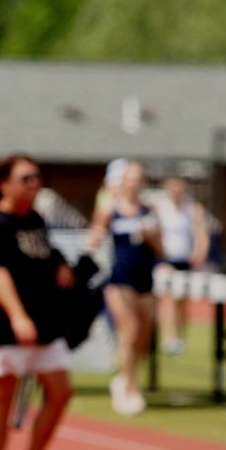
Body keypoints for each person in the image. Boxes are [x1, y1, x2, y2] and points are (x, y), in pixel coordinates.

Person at [0, 155, 76, 450]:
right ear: (5, 184)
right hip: (5, 326)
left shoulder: (34, 220)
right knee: (2, 398)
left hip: (45, 324)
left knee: (61, 391)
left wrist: (62, 265)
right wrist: (18, 316)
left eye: (37, 178)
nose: (35, 185)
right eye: (27, 179)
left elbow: (46, 254)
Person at [85, 159, 155, 415]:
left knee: (144, 337)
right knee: (131, 330)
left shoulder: (149, 210)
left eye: (139, 179)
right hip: (119, 278)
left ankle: (125, 376)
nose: (135, 183)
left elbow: (162, 249)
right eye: (131, 178)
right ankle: (129, 387)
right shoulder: (110, 209)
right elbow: (94, 236)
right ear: (123, 182)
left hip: (145, 279)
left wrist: (152, 237)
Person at [151, 173, 210, 358]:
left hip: (185, 260)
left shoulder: (193, 208)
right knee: (167, 300)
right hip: (166, 261)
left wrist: (199, 253)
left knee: (181, 302)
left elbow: (201, 234)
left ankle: (180, 336)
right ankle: (169, 338)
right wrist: (159, 259)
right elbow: (154, 235)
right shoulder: (160, 208)